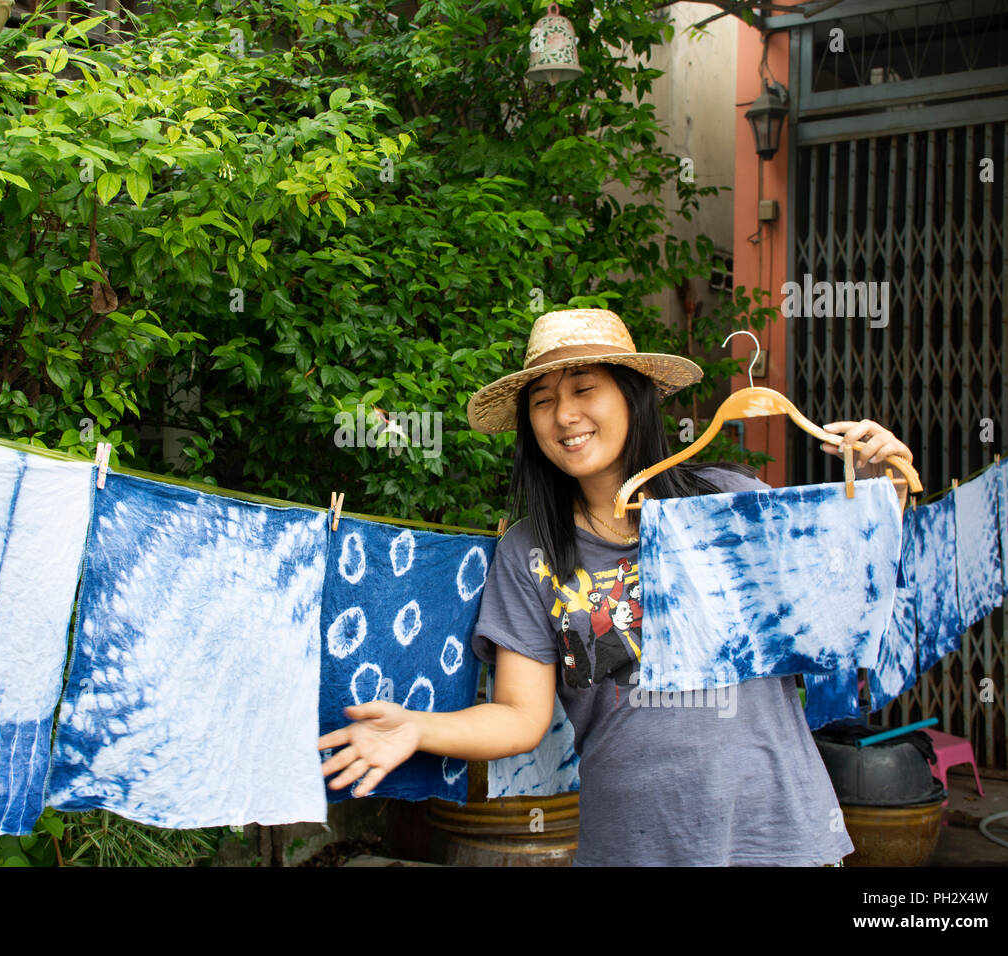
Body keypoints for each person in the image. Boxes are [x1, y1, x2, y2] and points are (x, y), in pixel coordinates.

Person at [317, 308, 914, 866]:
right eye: (544, 401)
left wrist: (879, 502)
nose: (564, 415)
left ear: (632, 397)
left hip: (777, 833)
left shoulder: (733, 502)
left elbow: (838, 609)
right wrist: (420, 727)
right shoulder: (531, 552)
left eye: (583, 389)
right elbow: (520, 717)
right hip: (633, 842)